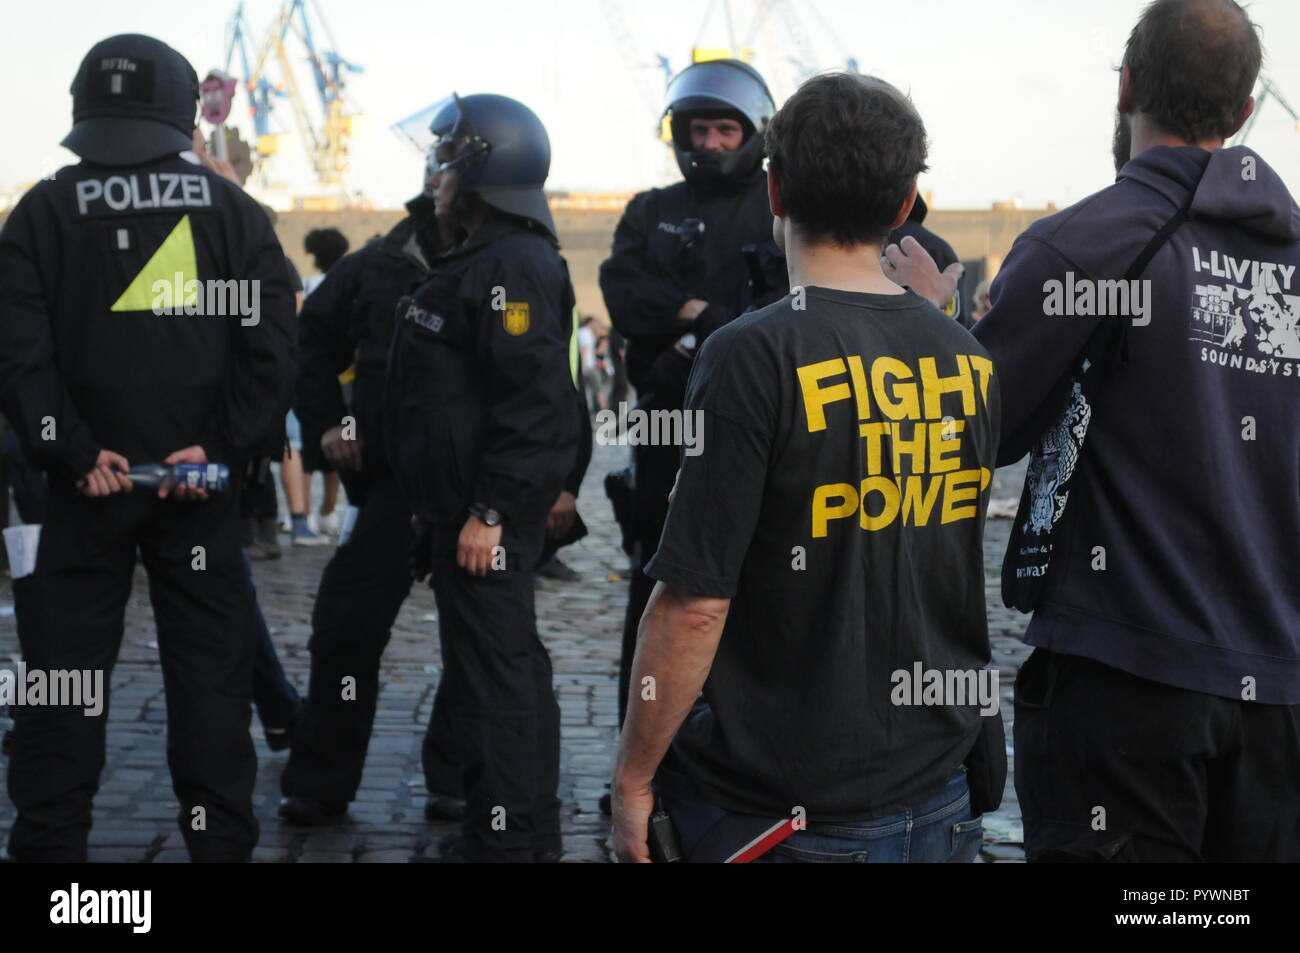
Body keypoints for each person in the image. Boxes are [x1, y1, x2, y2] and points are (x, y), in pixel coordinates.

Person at [885, 0, 1300, 862]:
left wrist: (932, 322)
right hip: (1281, 695)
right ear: (1246, 105)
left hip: (1126, 681)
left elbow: (977, 425)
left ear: (1127, 85)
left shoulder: (1090, 242)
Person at [612, 72, 1000, 863]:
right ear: (904, 205)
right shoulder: (967, 357)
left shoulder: (753, 353)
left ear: (774, 188)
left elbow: (691, 604)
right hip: (940, 786)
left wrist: (631, 781)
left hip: (793, 811)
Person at [0, 34, 296, 862]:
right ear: (179, 113)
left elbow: (18, 355)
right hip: (195, 493)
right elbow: (272, 346)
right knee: (209, 681)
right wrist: (222, 446)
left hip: (84, 496)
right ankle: (218, 846)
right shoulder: (234, 214)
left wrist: (73, 452)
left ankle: (53, 867)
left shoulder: (44, 212)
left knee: (62, 683)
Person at [387, 92, 580, 862]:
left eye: (445, 159)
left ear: (481, 170)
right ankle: (510, 830)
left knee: (499, 682)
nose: (434, 174)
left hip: (485, 516)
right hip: (458, 510)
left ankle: (505, 843)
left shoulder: (514, 264)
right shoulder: (479, 256)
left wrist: (492, 511)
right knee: (496, 670)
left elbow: (534, 404)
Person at [598, 58, 788, 784]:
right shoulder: (650, 208)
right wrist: (704, 315)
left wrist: (690, 320)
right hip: (663, 423)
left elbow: (781, 302)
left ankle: (746, 767)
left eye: (724, 127)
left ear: (753, 133)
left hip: (756, 425)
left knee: (752, 585)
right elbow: (623, 293)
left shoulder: (780, 205)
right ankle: (645, 763)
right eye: (697, 127)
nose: (708, 140)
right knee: (658, 582)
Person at [280, 154, 464, 825]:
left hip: (475, 492)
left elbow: (546, 387)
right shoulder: (376, 262)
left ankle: (462, 778)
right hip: (389, 482)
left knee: (480, 639)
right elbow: (313, 341)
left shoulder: (519, 262)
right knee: (345, 629)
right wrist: (327, 423)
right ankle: (320, 781)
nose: (444, 184)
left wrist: (554, 484)